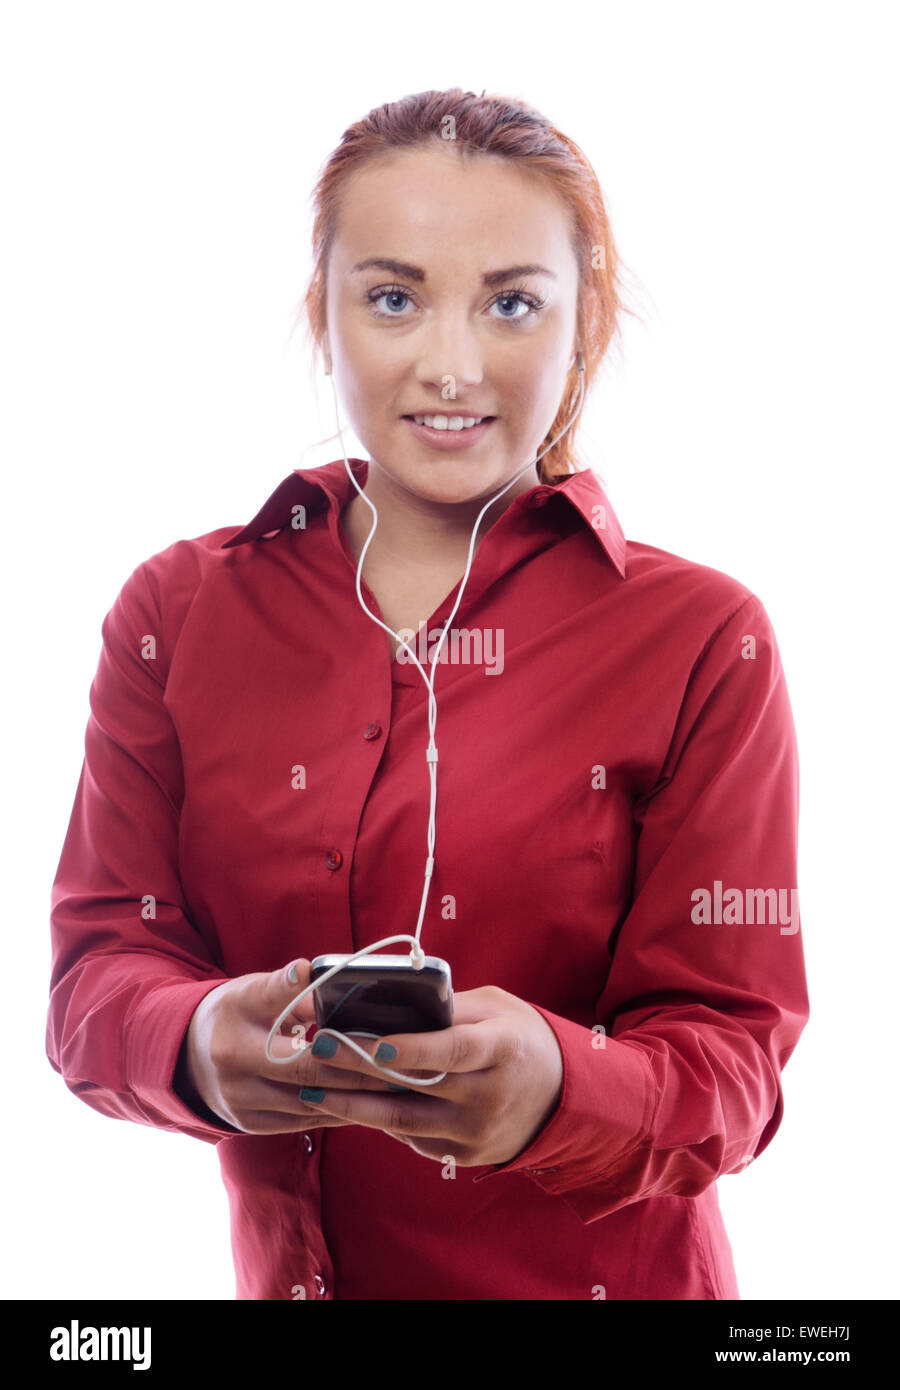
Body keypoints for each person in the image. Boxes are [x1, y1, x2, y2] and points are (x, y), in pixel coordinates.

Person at [46, 87, 809, 1301]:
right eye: (393, 297)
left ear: (582, 319)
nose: (451, 366)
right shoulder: (176, 615)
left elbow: (735, 1066)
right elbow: (97, 978)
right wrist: (197, 1042)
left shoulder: (703, 639)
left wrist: (560, 1085)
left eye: (512, 303)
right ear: (326, 309)